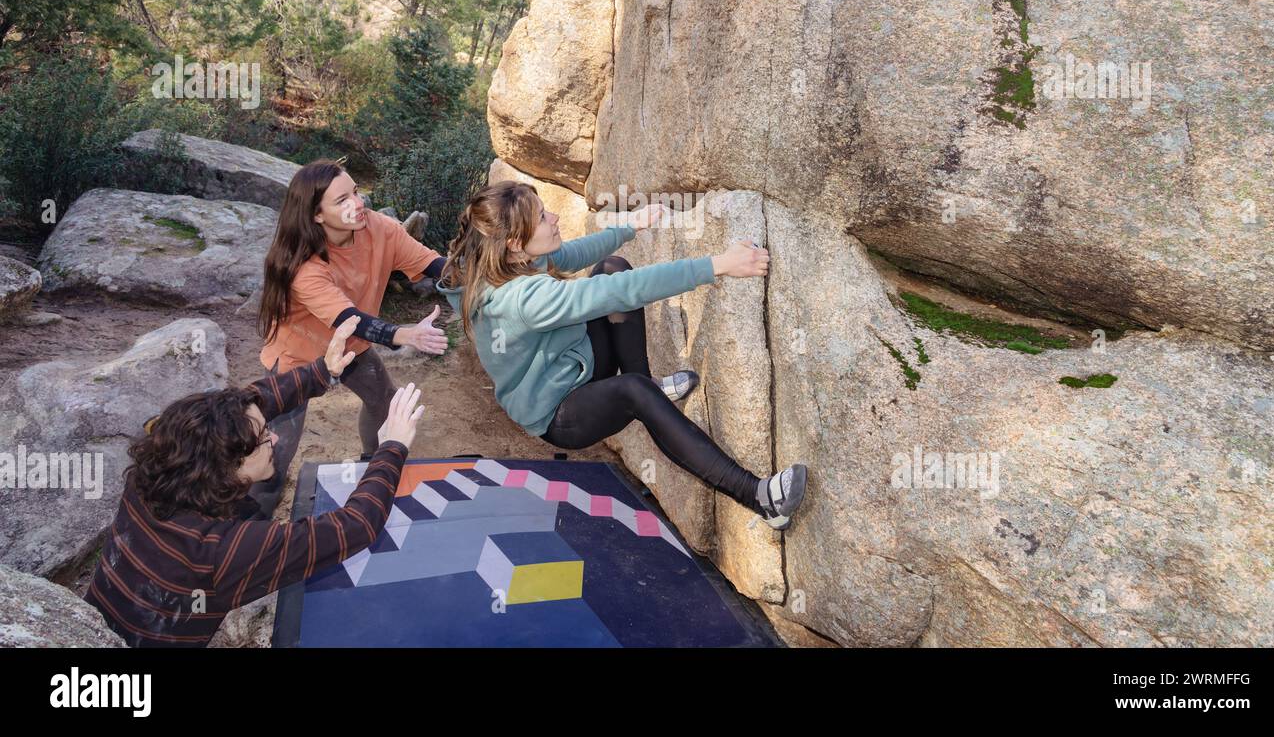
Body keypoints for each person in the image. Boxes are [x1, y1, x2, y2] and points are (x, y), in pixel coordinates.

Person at [435, 181, 807, 529]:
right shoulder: (522, 300)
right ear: (516, 242)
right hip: (558, 413)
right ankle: (760, 498)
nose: (554, 218)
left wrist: (629, 226)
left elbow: (570, 254)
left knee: (612, 267)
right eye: (544, 216)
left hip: (571, 367)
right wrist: (718, 265)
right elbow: (625, 292)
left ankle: (648, 386)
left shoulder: (500, 259)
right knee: (633, 390)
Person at [84, 317, 427, 647]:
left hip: (93, 625)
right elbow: (355, 526)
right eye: (265, 439)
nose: (275, 440)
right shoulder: (224, 552)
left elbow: (251, 404)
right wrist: (391, 448)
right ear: (229, 468)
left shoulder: (153, 472)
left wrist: (321, 371)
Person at [254, 158, 448, 517]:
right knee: (273, 451)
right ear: (316, 214)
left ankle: (373, 468)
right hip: (299, 360)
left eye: (356, 193)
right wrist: (405, 335)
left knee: (384, 402)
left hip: (352, 350)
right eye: (342, 200)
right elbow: (350, 320)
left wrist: (478, 275)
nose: (357, 204)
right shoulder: (303, 266)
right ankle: (250, 524)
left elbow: (434, 266)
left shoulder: (379, 229)